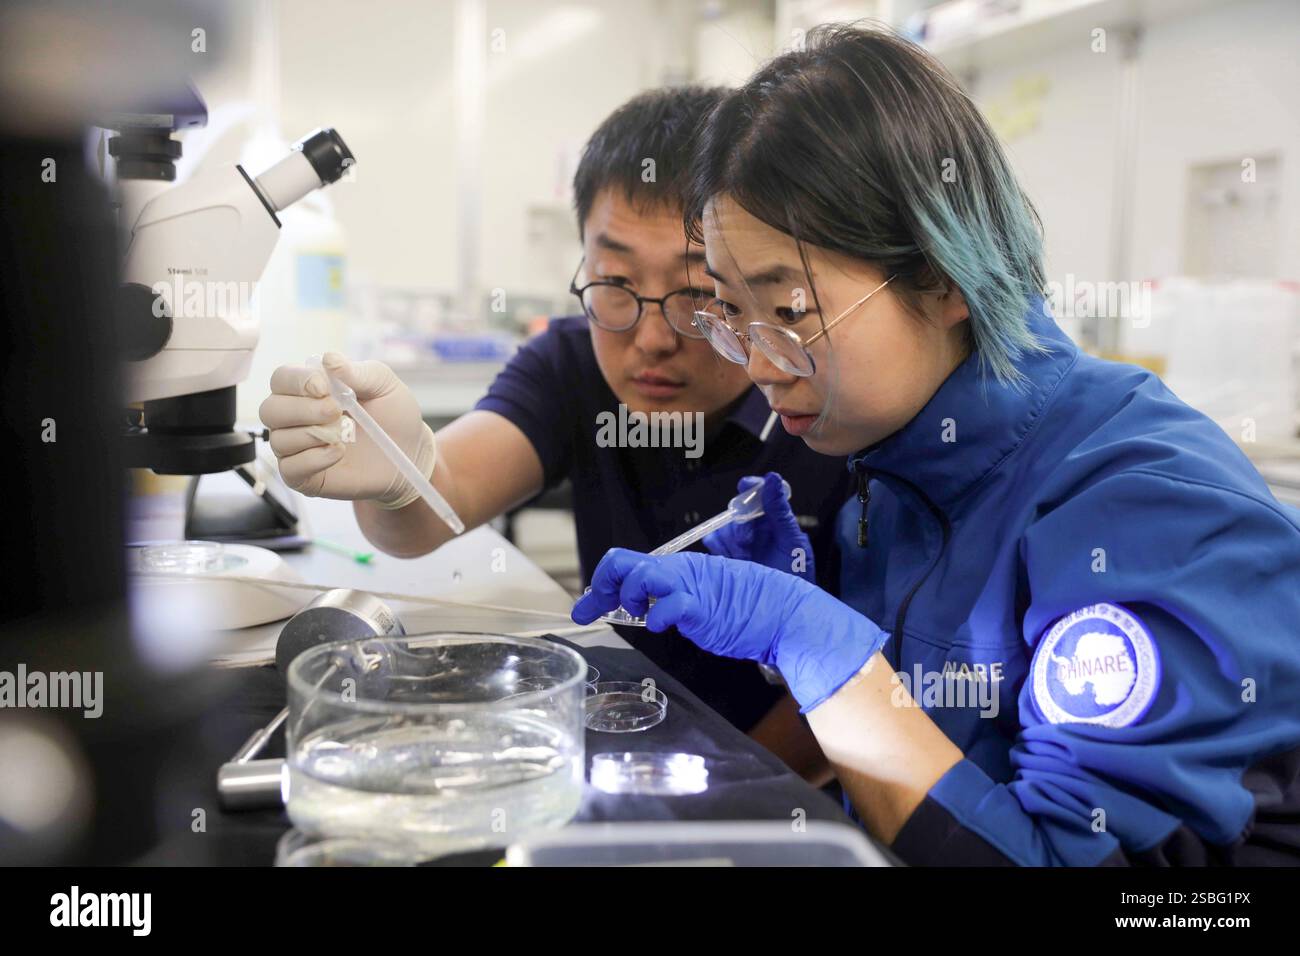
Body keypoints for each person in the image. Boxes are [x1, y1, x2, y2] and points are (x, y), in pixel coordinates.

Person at [573, 25, 1300, 865]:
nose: (758, 362)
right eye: (732, 311)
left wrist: (823, 655)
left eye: (791, 312)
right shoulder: (896, 469)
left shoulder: (1146, 508)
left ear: (944, 274)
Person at [259, 87, 854, 773]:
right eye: (614, 281)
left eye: (698, 294)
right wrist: (399, 476)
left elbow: (870, 690)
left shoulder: (827, 410)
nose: (652, 338)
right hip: (623, 739)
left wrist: (725, 791)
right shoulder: (573, 362)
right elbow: (434, 507)